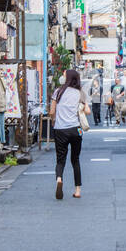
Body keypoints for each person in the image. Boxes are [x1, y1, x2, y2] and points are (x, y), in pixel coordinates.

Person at [49, 67, 89, 199]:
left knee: (60, 159)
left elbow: (51, 112)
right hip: (75, 129)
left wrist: (54, 119)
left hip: (60, 129)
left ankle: (59, 179)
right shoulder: (80, 93)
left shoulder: (58, 92)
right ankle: (77, 190)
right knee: (75, 159)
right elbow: (87, 111)